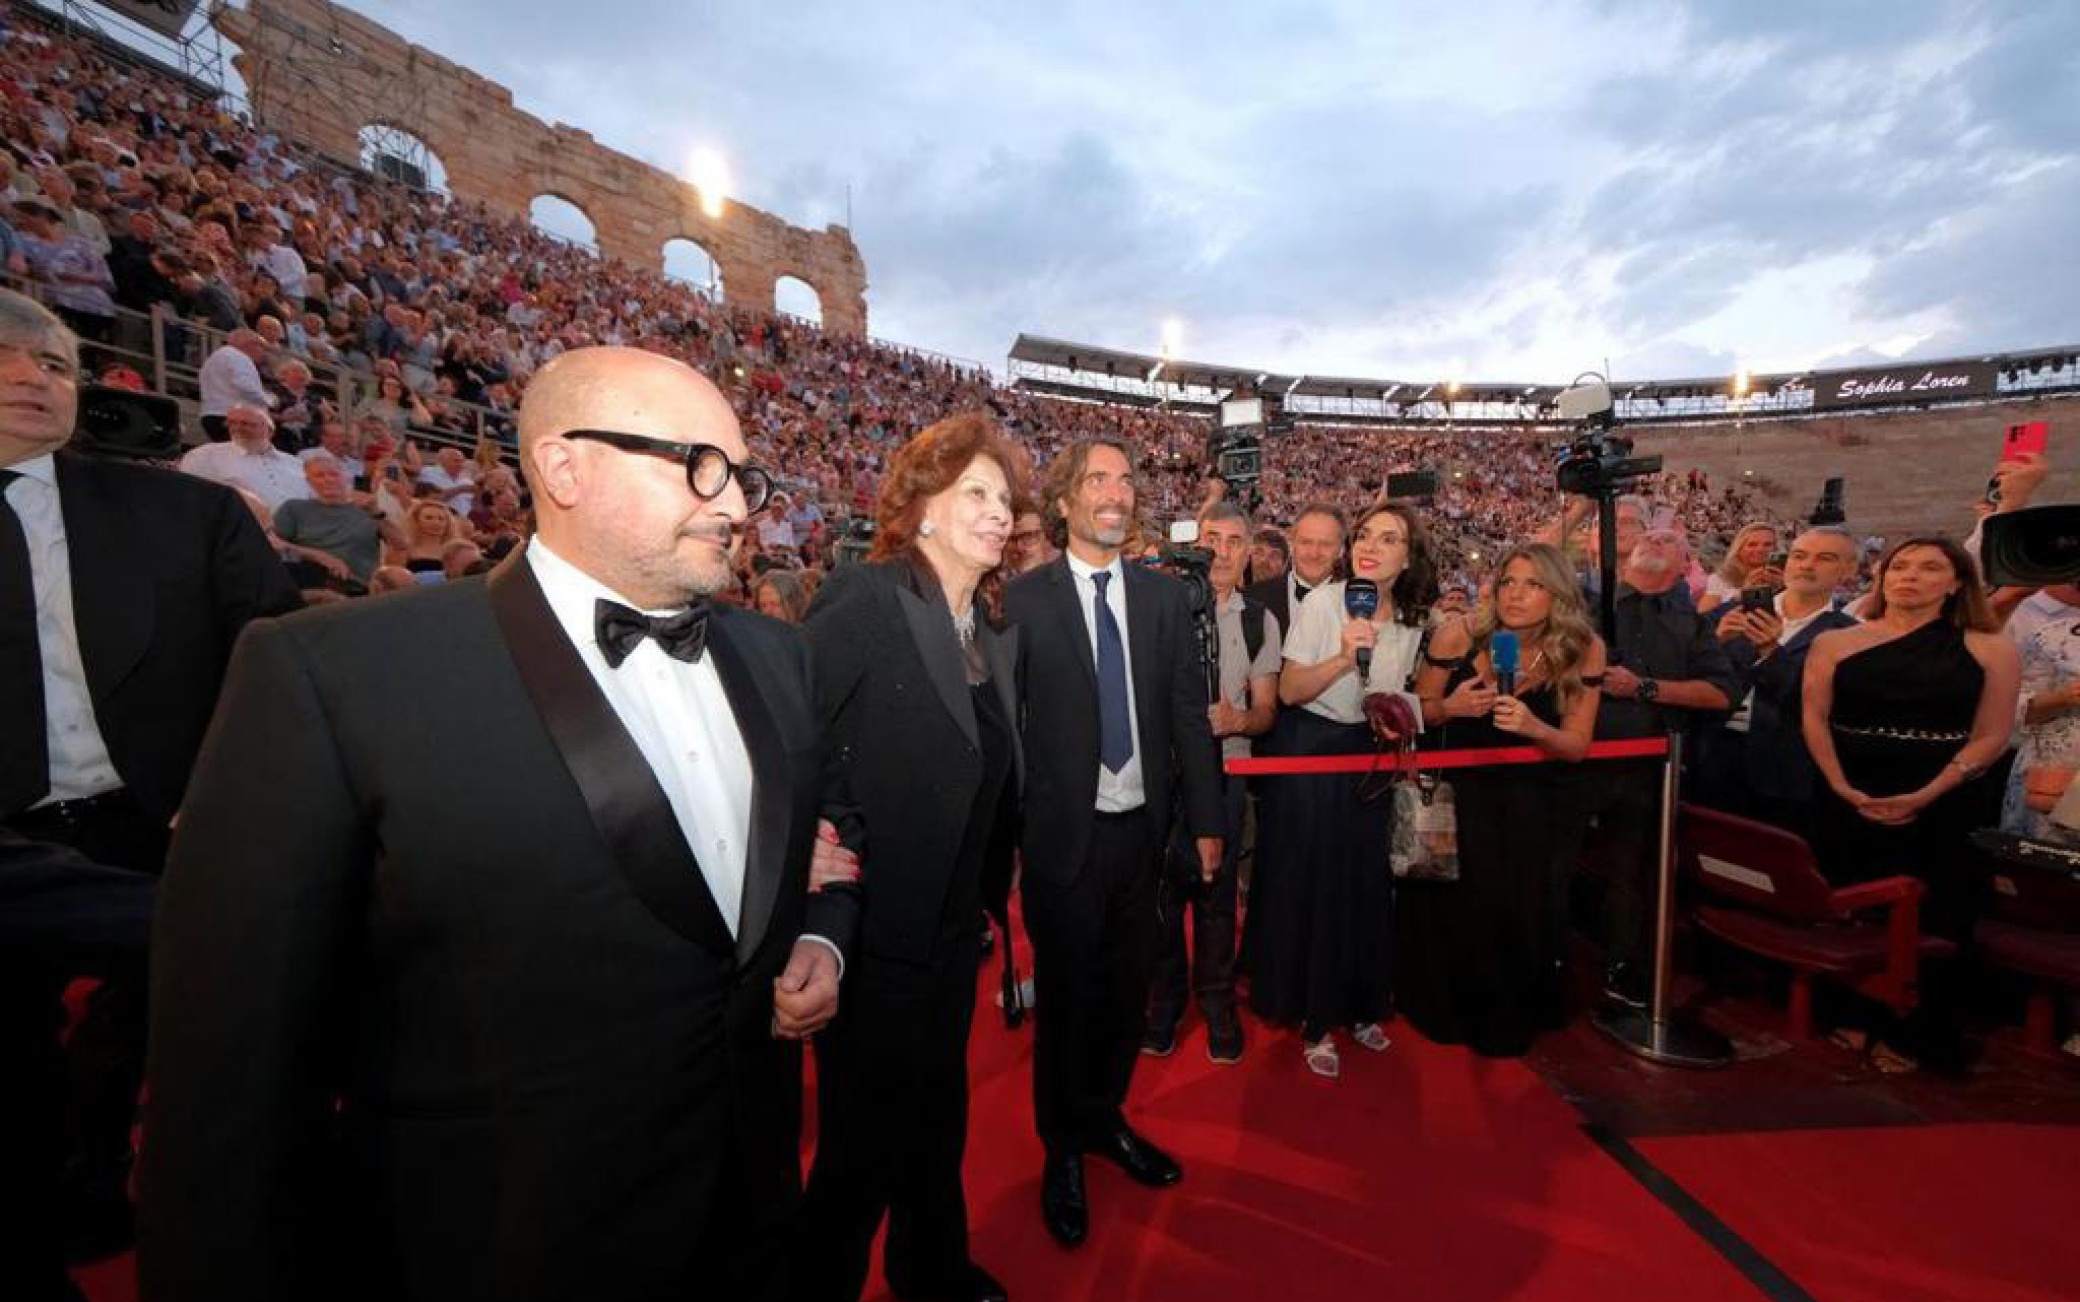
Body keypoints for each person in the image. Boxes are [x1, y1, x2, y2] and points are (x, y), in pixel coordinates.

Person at [139, 346, 855, 1302]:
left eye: (744, 477)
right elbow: (230, 1073)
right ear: (563, 467)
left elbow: (812, 840)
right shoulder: (333, 674)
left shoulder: (779, 656)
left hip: (754, 1210)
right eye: (698, 466)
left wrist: (814, 934)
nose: (735, 506)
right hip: (503, 1239)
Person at [0, 290, 298, 1298]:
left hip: (159, 822)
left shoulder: (186, 511)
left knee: (178, 1031)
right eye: (7, 354)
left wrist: (222, 792)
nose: (35, 374)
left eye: (54, 361)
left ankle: (119, 1191)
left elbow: (278, 660)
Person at [796, 413, 1025, 1302]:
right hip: (869, 926)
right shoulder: (869, 596)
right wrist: (810, 857)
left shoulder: (987, 630)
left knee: (937, 1116)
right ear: (921, 506)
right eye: (974, 492)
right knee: (860, 1143)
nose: (997, 512)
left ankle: (932, 1268)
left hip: (947, 930)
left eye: (1004, 498)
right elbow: (794, 735)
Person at [1006, 438, 1223, 1250]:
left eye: (1127, 479)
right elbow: (1007, 736)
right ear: (1064, 501)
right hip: (1064, 844)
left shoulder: (1165, 600)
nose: (1118, 491)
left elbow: (1188, 721)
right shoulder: (1021, 603)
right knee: (1066, 1005)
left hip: (1146, 839)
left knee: (1128, 997)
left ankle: (1104, 1122)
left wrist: (1206, 823)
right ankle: (1060, 1149)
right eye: (1098, 478)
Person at [1802, 536, 2018, 1073]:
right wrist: (1839, 785)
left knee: (1936, 912)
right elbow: (1814, 718)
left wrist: (1928, 792)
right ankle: (1849, 1011)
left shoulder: (1992, 648)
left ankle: (1915, 1030)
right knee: (1851, 906)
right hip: (1848, 791)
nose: (1909, 577)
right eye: (1899, 566)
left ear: (1957, 583)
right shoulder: (1836, 642)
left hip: (1946, 798)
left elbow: (1992, 734)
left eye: (1928, 568)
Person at [1249, 502, 1434, 1078]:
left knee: (1364, 885)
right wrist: (1342, 656)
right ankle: (1313, 1016)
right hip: (1312, 751)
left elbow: (1399, 691)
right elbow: (1291, 690)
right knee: (1318, 886)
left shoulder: (1410, 618)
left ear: (1407, 557)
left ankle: (1358, 1006)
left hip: (1369, 755)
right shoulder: (1325, 602)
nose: (1371, 545)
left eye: (1389, 537)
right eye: (1365, 535)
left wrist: (1392, 716)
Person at [1405, 544, 1605, 1056]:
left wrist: (1536, 726)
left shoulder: (1583, 648)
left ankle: (1506, 1017)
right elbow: (1418, 713)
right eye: (1509, 581)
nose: (1517, 594)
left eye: (1533, 584)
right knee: (1455, 908)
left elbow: (1577, 745)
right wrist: (1450, 708)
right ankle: (1444, 1010)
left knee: (1516, 910)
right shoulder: (1459, 635)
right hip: (1458, 798)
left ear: (1557, 593)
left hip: (1533, 806)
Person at [1142, 499, 1279, 1064]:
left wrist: (1238, 720)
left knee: (1218, 898)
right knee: (1161, 901)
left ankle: (1217, 999)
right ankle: (1165, 1001)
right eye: (1211, 539)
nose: (1220, 552)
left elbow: (1268, 711)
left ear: (1248, 553)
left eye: (1233, 542)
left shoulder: (1257, 620)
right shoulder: (1160, 607)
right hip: (1163, 780)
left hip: (1225, 775)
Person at [1581, 526, 1737, 1007]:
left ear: (1687, 561)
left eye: (1668, 540)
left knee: (1630, 874)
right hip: (1572, 759)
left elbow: (1720, 693)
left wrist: (1645, 688)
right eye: (1647, 536)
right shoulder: (1588, 607)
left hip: (1646, 772)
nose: (1653, 540)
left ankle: (1623, 967)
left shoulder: (1692, 624)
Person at [1695, 526, 1861, 835]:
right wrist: (1716, 643)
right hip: (1710, 759)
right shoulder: (1727, 613)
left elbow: (1820, 705)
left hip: (1782, 773)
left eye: (1824, 558)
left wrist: (1771, 653)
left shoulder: (1850, 633)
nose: (1807, 565)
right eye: (1799, 556)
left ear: (1847, 570)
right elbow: (1686, 676)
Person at [176, 404, 311, 517]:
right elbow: (191, 498)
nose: (237, 428)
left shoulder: (296, 463)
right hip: (242, 534)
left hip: (302, 536)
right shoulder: (205, 455)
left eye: (246, 424)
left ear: (269, 429)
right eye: (231, 423)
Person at [1699, 520, 1781, 613]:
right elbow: (1704, 618)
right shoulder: (1720, 579)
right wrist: (1743, 594)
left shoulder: (1786, 578)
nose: (1760, 549)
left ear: (1776, 548)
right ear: (1739, 548)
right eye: (1752, 544)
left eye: (1768, 544)